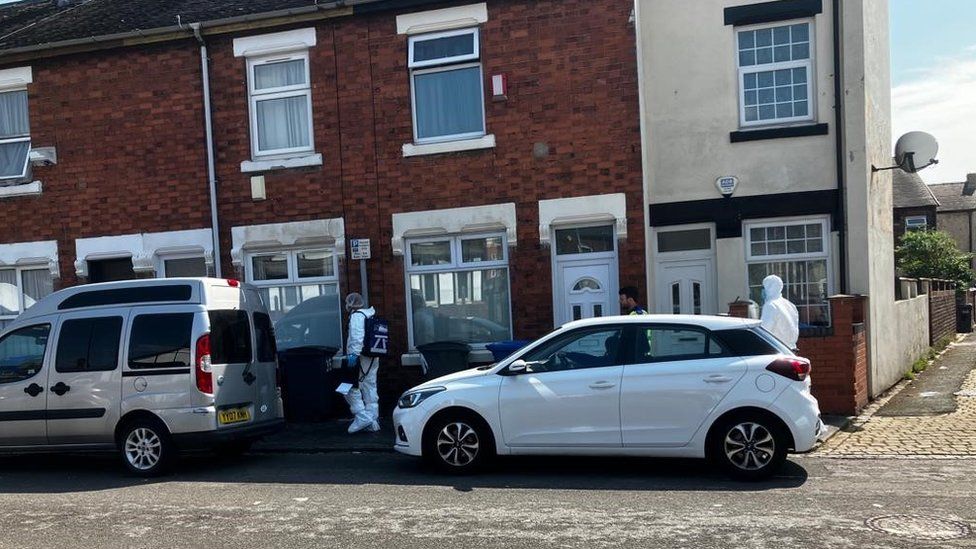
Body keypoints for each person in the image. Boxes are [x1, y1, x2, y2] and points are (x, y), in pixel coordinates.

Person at [343, 292, 380, 434]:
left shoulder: (357, 316)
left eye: (347, 303)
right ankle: (373, 421)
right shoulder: (369, 314)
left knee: (349, 387)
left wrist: (353, 356)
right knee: (370, 387)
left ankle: (362, 417)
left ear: (351, 304)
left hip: (360, 357)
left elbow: (357, 337)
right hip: (373, 357)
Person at [760, 275, 799, 349]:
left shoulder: (770, 306)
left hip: (777, 348)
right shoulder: (790, 305)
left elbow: (764, 330)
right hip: (791, 348)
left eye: (763, 287)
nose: (762, 291)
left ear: (769, 288)